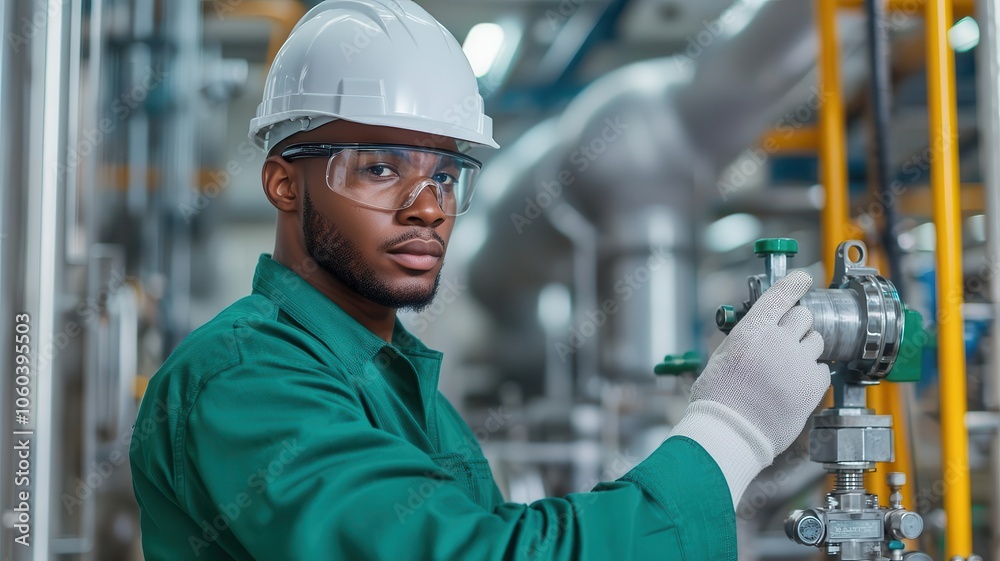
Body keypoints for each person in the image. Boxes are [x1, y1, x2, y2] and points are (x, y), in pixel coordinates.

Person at [128, 1, 831, 559]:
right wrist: (730, 430)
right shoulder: (246, 380)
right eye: (379, 168)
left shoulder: (397, 382)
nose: (429, 206)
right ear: (283, 183)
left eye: (445, 174)